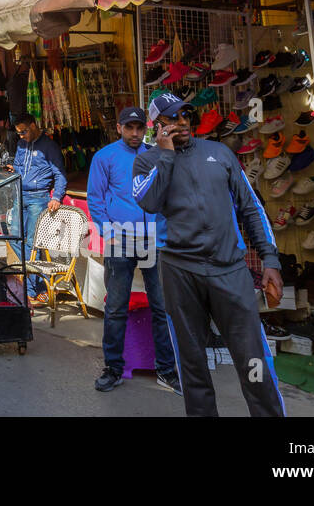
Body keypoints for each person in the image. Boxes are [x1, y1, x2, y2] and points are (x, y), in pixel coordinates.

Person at [132, 93, 285, 417]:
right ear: (157, 126)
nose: (181, 122)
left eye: (185, 115)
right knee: (193, 365)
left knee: (253, 360)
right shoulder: (146, 162)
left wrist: (269, 260)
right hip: (180, 272)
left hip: (229, 271)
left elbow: (251, 209)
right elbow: (149, 201)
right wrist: (167, 156)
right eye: (172, 118)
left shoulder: (220, 153)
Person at [86, 107, 180, 395]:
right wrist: (108, 231)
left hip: (153, 239)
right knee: (115, 308)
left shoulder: (157, 154)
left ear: (146, 128)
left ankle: (166, 369)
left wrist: (163, 230)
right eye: (130, 128)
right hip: (121, 240)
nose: (135, 133)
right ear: (119, 128)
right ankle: (113, 369)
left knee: (162, 307)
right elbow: (95, 197)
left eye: (140, 127)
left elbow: (168, 193)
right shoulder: (105, 157)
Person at [3, 112, 66, 307]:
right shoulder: (21, 144)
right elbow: (20, 165)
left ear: (33, 125)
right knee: (14, 237)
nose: (21, 136)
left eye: (23, 132)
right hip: (20, 194)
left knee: (32, 242)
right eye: (18, 133)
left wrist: (56, 197)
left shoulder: (49, 147)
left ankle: (34, 290)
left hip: (39, 197)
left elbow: (60, 174)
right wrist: (15, 169)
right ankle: (37, 285)